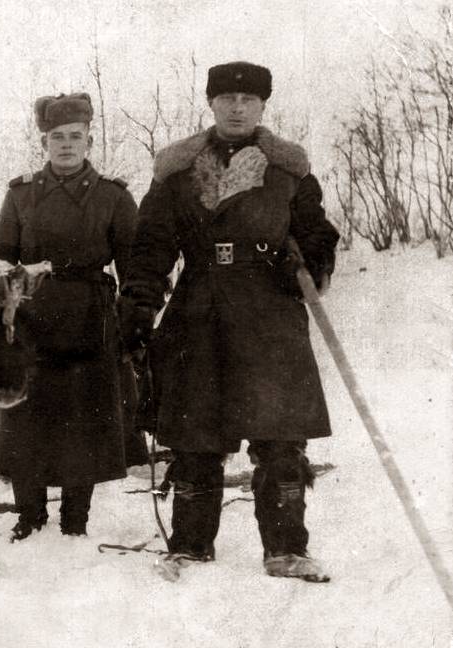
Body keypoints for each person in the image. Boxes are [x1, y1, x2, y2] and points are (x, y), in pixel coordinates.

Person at [118, 61, 339, 582]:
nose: (237, 107)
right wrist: (139, 305)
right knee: (196, 435)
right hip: (199, 312)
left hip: (271, 316)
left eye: (248, 99)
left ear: (263, 106)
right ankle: (191, 547)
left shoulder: (289, 172)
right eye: (227, 98)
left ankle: (286, 549)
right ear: (211, 104)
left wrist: (305, 265)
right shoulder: (177, 173)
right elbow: (150, 248)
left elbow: (318, 233)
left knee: (281, 437)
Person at [0, 92, 143, 542]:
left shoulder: (113, 196)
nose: (67, 145)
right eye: (57, 137)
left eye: (76, 136)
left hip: (90, 320)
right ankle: (29, 516)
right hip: (31, 320)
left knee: (86, 417)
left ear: (89, 141)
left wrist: (133, 319)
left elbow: (134, 267)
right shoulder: (20, 194)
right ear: (44, 143)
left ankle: (76, 520)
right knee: (26, 415)